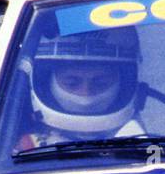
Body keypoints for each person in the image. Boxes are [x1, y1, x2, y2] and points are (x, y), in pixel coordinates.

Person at [16, 26, 144, 151]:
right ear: (45, 84)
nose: (85, 95)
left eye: (101, 83)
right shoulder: (20, 152)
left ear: (124, 86)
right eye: (72, 83)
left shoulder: (145, 147)